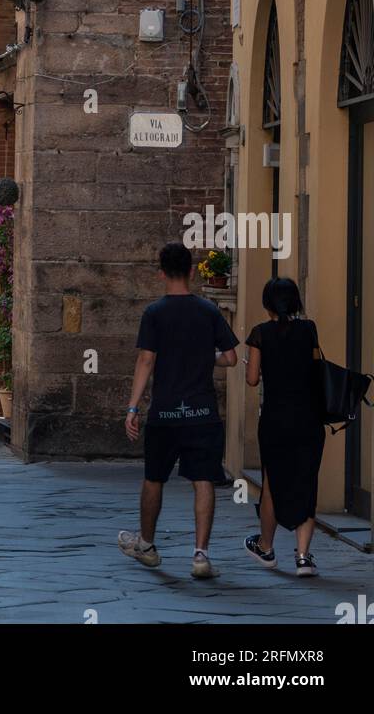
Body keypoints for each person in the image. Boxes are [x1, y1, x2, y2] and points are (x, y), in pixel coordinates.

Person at [119, 242, 238, 579]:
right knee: (203, 480)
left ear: (161, 273)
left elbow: (146, 359)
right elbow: (229, 357)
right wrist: (206, 356)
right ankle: (200, 555)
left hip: (165, 413)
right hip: (202, 413)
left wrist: (132, 407)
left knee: (154, 477)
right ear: (191, 271)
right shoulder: (209, 311)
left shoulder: (154, 313)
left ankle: (146, 544)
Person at [244, 277, 324, 577]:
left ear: (268, 303)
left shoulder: (260, 334)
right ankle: (303, 557)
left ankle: (266, 547)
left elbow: (252, 379)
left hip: (276, 419)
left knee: (272, 483)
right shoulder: (309, 329)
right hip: (308, 418)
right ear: (295, 301)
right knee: (307, 480)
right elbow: (316, 369)